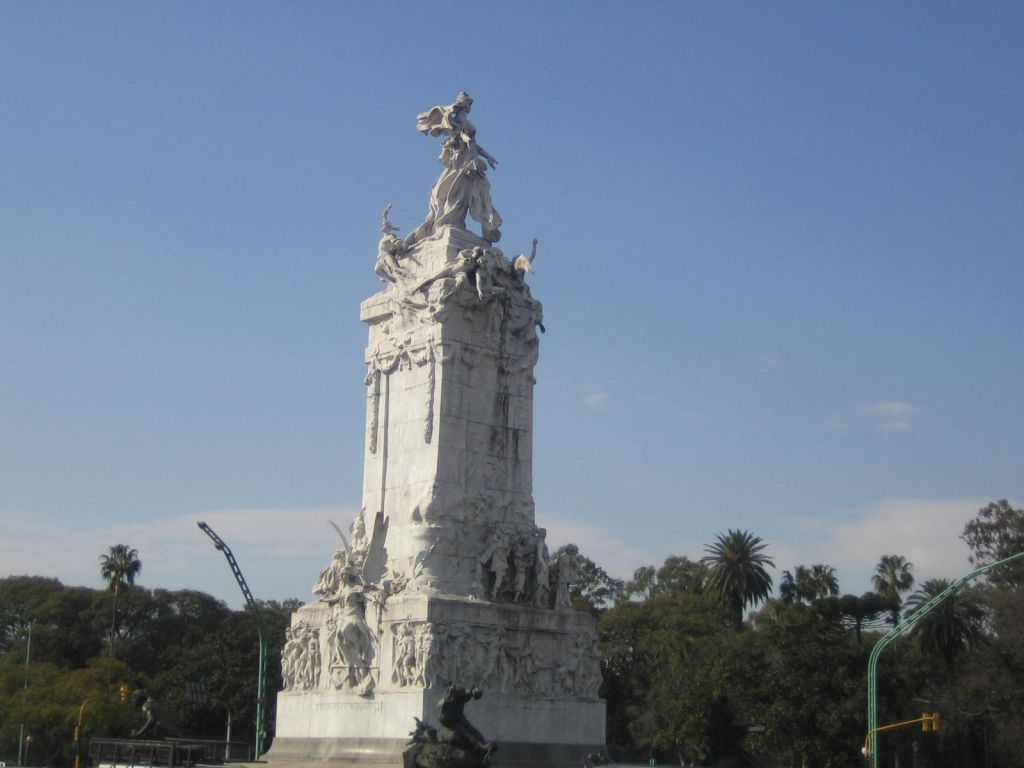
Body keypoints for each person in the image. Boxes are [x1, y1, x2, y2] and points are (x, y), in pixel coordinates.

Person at [405, 92, 502, 245]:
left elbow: (474, 144)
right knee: (455, 193)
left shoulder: (464, 120)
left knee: (477, 193)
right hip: (462, 163)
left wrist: (488, 156)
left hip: (470, 163)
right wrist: (466, 139)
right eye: (469, 104)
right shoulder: (459, 120)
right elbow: (461, 134)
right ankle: (449, 223)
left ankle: (462, 224)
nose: (470, 107)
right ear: (464, 104)